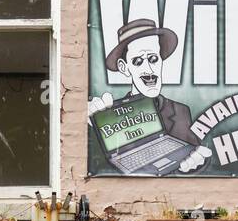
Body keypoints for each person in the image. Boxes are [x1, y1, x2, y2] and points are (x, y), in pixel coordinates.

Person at [88, 18, 211, 174]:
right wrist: (93, 123)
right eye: (138, 61)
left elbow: (193, 159)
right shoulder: (108, 114)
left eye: (153, 59)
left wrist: (196, 163)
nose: (149, 70)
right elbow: (99, 168)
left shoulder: (180, 111)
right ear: (124, 68)